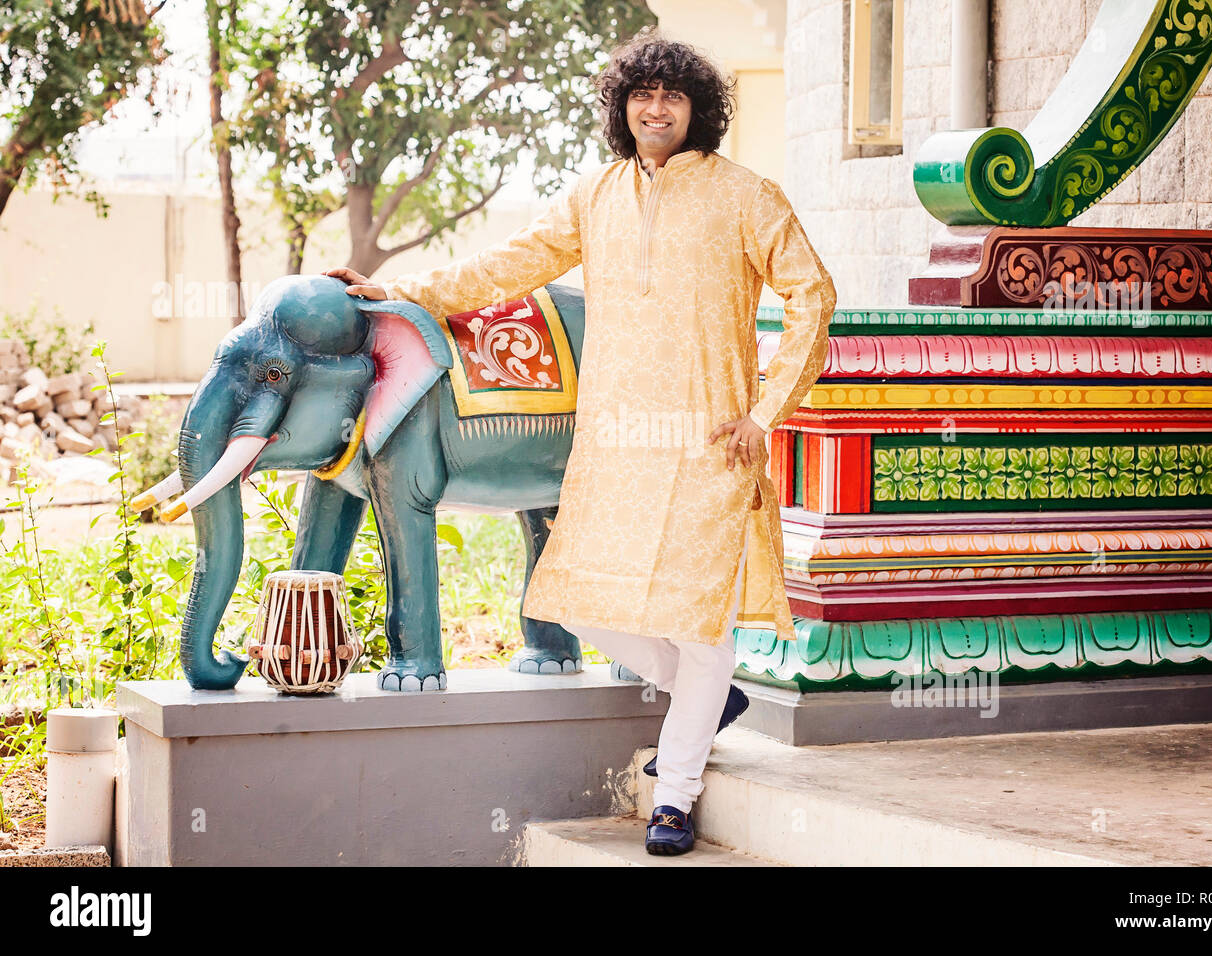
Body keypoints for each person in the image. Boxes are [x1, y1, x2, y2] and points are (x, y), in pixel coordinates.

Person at [327, 29, 835, 856]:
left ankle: (674, 797)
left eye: (673, 95)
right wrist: (401, 288)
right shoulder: (596, 196)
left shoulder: (748, 195)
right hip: (614, 439)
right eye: (643, 94)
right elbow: (511, 264)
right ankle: (704, 701)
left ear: (699, 108)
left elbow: (813, 295)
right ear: (623, 107)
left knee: (703, 624)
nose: (657, 106)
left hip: (710, 438)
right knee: (569, 595)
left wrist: (766, 410)